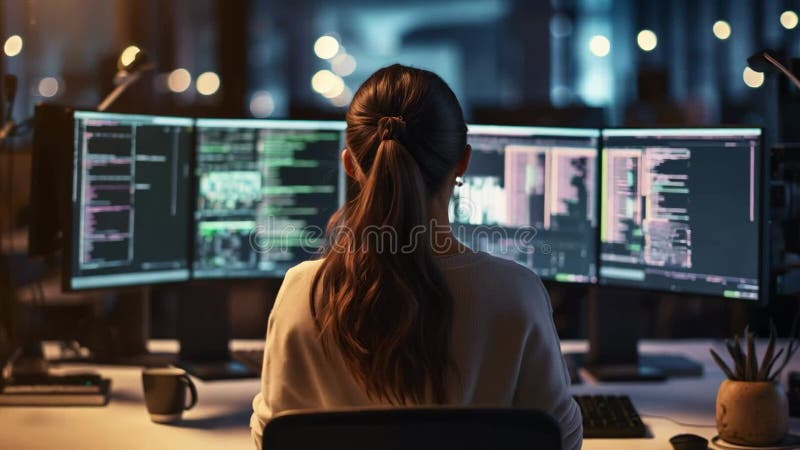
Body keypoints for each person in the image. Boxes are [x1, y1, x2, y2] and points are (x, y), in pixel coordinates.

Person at [250, 64, 582, 450]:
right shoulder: (516, 293)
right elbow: (562, 440)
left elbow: (271, 439)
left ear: (350, 166)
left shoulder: (303, 291)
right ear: (463, 162)